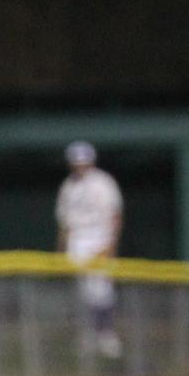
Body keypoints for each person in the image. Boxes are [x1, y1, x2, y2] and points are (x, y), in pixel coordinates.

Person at [57, 140, 124, 360]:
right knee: (83, 290)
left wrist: (111, 244)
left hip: (99, 237)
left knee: (101, 288)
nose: (80, 166)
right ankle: (89, 334)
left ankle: (105, 334)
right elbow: (65, 223)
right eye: (76, 162)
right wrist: (61, 248)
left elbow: (115, 215)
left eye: (83, 162)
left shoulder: (103, 182)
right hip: (77, 239)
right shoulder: (68, 186)